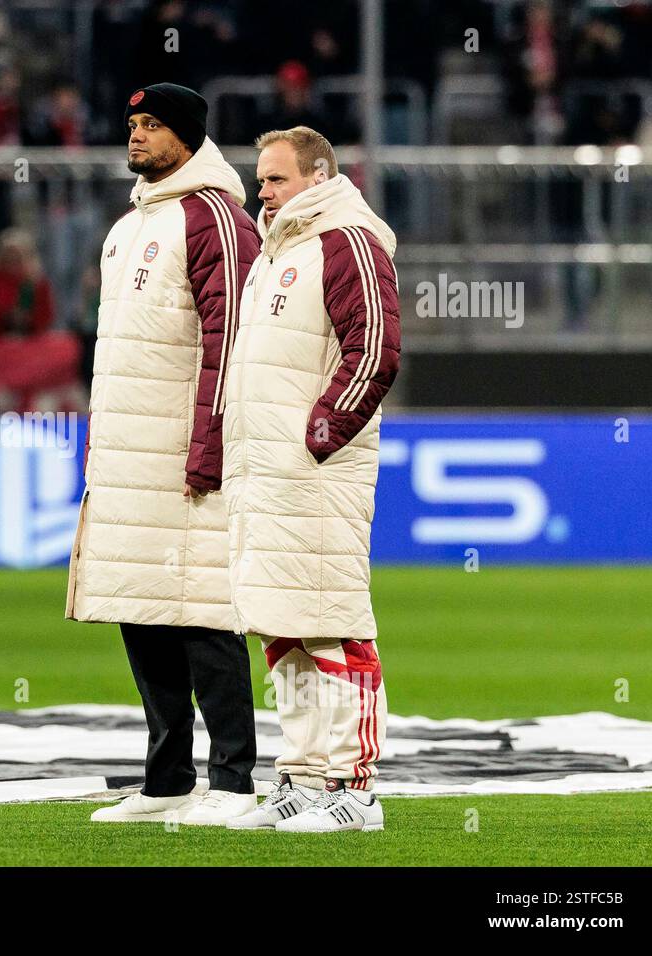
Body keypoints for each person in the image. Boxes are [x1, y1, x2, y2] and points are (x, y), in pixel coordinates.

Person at [68, 84, 262, 826]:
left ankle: (235, 782)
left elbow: (233, 341)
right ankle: (167, 780)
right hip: (128, 451)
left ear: (188, 136)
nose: (138, 137)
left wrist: (210, 443)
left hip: (188, 451)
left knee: (204, 613)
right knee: (140, 608)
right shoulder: (131, 224)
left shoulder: (213, 216)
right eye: (133, 125)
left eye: (153, 126)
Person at [220, 127, 400, 833]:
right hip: (264, 470)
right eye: (260, 179)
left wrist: (321, 433)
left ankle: (355, 790)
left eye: (276, 179)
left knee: (334, 623)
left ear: (319, 176)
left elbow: (377, 345)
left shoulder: (347, 238)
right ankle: (300, 776)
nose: (262, 191)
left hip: (315, 470)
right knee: (282, 623)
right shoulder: (278, 248)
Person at [0, 229, 55, 338]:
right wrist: (6, 318)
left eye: (18, 257)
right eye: (8, 255)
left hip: (30, 341)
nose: (12, 260)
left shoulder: (36, 283)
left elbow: (46, 316)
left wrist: (26, 319)